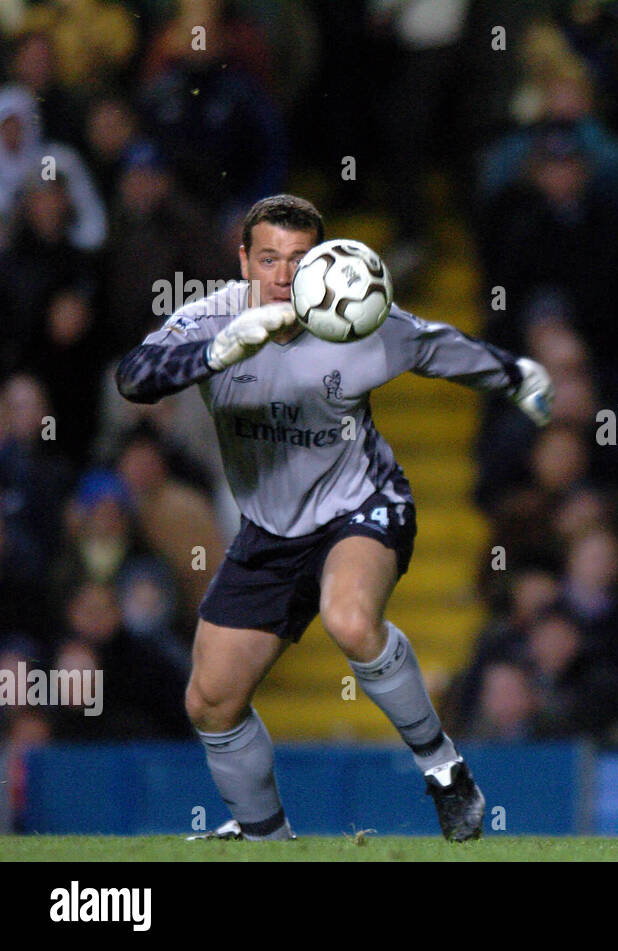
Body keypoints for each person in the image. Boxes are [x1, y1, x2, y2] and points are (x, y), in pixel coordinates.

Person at [116, 194, 553, 842]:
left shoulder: (358, 320)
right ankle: (267, 839)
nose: (284, 275)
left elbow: (437, 347)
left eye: (299, 259)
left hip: (363, 502)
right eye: (268, 259)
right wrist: (215, 353)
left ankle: (444, 771)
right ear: (243, 260)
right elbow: (134, 378)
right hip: (269, 529)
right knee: (209, 699)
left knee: (350, 619)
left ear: (322, 261)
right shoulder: (210, 319)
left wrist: (516, 374)